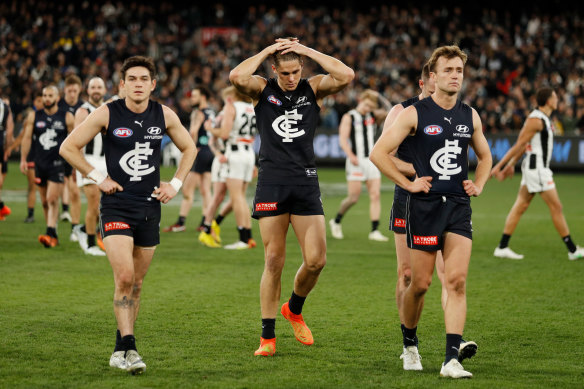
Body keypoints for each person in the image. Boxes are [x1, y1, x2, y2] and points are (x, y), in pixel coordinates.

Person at [60, 56, 197, 374]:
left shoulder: (163, 114)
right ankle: (130, 348)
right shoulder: (108, 112)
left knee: (136, 284)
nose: (137, 84)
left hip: (150, 207)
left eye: (143, 79)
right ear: (121, 85)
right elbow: (69, 147)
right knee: (123, 277)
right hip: (116, 205)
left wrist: (175, 183)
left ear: (153, 84)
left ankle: (120, 347)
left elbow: (190, 148)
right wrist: (97, 177)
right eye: (131, 79)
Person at [370, 45, 492, 378]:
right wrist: (407, 183)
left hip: (457, 206)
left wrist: (478, 183)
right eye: (449, 70)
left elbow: (485, 156)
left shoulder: (470, 115)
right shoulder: (412, 113)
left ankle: (451, 358)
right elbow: (379, 153)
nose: (456, 76)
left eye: (460, 71)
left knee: (456, 281)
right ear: (433, 77)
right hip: (422, 206)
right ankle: (410, 344)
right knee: (418, 283)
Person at [230, 37, 354, 356]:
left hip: (305, 180)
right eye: (284, 73)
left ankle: (294, 309)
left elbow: (346, 75)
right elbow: (236, 77)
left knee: (316, 261)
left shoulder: (312, 88)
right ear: (274, 69)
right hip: (271, 180)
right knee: (273, 260)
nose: (290, 78)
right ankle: (267, 338)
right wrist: (267, 51)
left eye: (296, 71)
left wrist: (308, 52)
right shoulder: (262, 87)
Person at [491, 87, 584, 260]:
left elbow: (526, 145)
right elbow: (519, 145)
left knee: (521, 206)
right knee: (556, 207)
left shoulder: (542, 119)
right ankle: (572, 250)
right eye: (555, 97)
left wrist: (511, 165)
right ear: (548, 101)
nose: (558, 99)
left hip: (534, 169)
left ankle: (502, 246)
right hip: (538, 170)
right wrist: (500, 166)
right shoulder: (536, 120)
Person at [329, 89, 391, 242]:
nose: (368, 109)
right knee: (353, 198)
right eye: (366, 105)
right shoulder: (349, 116)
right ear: (360, 100)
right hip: (355, 161)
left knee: (375, 195)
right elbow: (343, 139)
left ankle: (374, 230)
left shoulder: (372, 115)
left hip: (371, 160)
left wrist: (378, 96)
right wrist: (351, 155)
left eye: (371, 106)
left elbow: (390, 110)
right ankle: (336, 221)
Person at [20, 85, 75, 247]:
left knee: (52, 199)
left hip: (58, 164)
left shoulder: (66, 117)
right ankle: (53, 232)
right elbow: (27, 138)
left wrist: (74, 163)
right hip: (40, 164)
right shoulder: (34, 116)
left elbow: (74, 140)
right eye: (44, 95)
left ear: (57, 98)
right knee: (44, 202)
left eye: (50, 95)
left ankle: (49, 232)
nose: (47, 99)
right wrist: (23, 159)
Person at [204, 85, 257, 250]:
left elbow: (225, 133)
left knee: (236, 198)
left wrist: (210, 129)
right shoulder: (252, 107)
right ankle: (248, 237)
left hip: (234, 153)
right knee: (241, 197)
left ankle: (242, 238)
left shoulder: (231, 106)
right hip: (249, 152)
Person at [163, 85, 215, 233]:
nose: (191, 99)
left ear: (202, 97)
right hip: (210, 152)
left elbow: (192, 132)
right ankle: (206, 222)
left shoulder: (197, 113)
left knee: (187, 190)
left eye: (194, 96)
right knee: (206, 190)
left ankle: (181, 222)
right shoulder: (212, 112)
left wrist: (189, 150)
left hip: (199, 152)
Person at [71, 77, 108, 256]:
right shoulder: (83, 111)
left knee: (103, 205)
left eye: (99, 87)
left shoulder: (108, 109)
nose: (96, 90)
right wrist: (80, 165)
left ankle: (84, 229)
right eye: (92, 87)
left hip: (106, 162)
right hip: (89, 161)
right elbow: (77, 141)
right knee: (94, 202)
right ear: (88, 90)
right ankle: (91, 244)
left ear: (104, 89)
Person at [6, 93, 43, 223]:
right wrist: (10, 148)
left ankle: (52, 215)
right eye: (38, 100)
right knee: (32, 186)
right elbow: (22, 136)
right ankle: (31, 213)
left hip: (47, 158)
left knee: (48, 189)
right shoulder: (31, 119)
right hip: (33, 156)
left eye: (42, 100)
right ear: (34, 103)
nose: (41, 103)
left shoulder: (53, 117)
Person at [58, 74, 84, 225]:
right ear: (65, 90)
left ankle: (70, 215)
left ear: (79, 90)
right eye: (70, 91)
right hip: (60, 151)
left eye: (75, 91)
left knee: (73, 186)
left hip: (76, 151)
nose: (72, 94)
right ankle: (64, 211)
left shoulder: (83, 108)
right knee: (60, 184)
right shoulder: (58, 106)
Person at [0, 97, 14, 221]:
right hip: (2, 145)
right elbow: (10, 130)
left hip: (2, 145)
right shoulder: (5, 108)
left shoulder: (5, 108)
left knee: (2, 175)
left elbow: (9, 132)